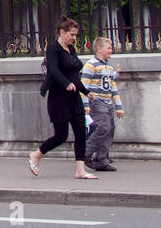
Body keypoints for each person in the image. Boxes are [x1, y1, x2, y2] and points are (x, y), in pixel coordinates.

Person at [28, 17, 97, 179]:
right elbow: (53, 70)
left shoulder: (71, 50)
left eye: (75, 35)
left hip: (74, 98)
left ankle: (80, 170)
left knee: (81, 132)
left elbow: (74, 76)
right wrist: (65, 83)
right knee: (61, 135)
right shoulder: (53, 49)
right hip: (58, 98)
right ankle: (37, 154)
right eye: (72, 35)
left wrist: (86, 92)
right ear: (62, 32)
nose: (74, 38)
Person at [81, 36, 124, 171]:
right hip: (96, 102)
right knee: (103, 127)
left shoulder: (108, 67)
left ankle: (101, 159)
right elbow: (83, 86)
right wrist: (85, 105)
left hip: (107, 103)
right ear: (99, 49)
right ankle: (85, 152)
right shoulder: (90, 65)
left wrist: (118, 107)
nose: (111, 50)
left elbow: (112, 87)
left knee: (110, 130)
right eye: (109, 48)